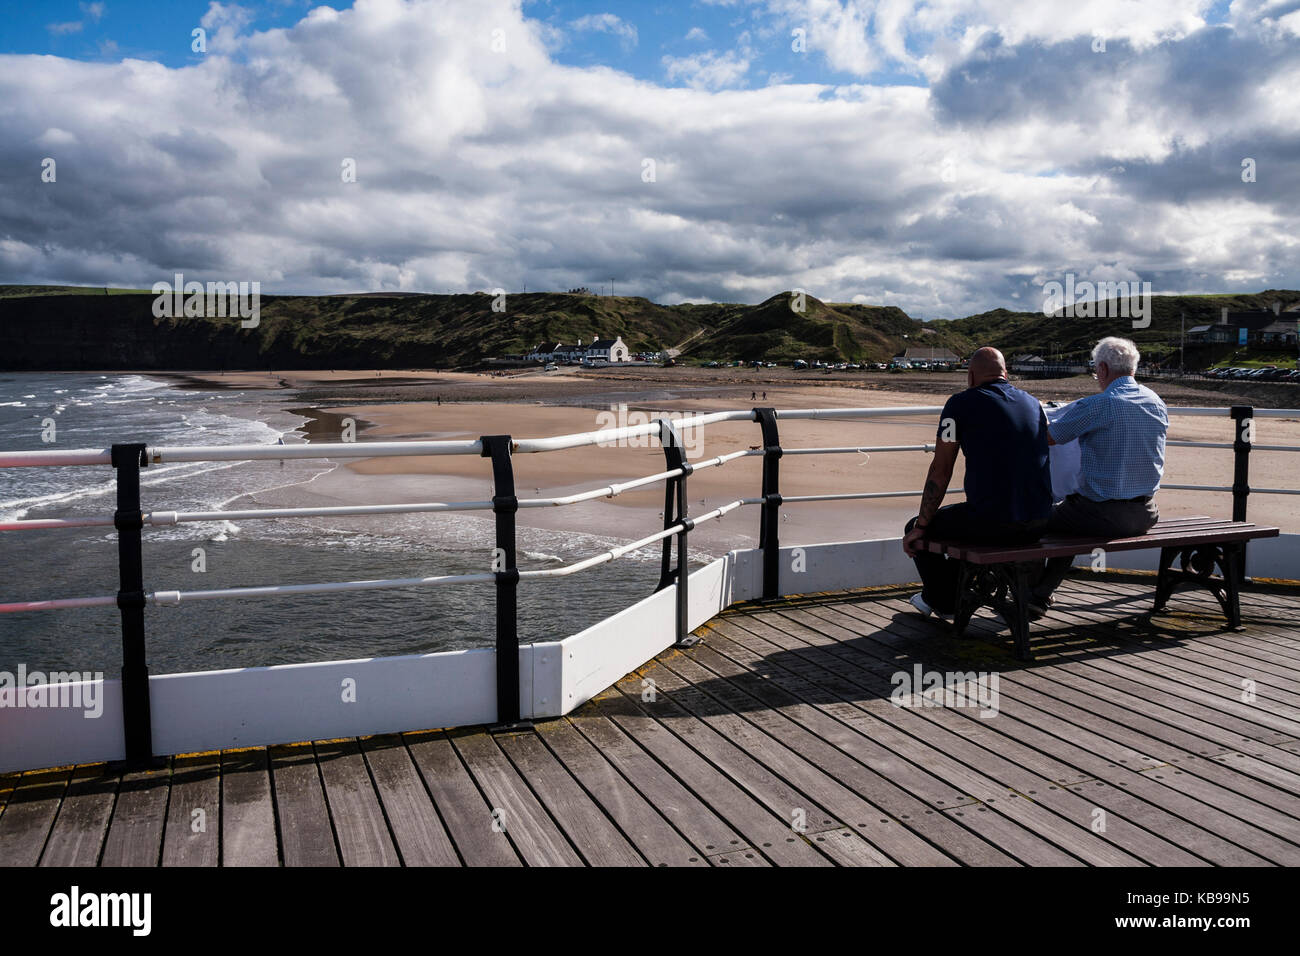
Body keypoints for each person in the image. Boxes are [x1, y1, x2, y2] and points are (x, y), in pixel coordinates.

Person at [902, 347, 1053, 619]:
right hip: (1040, 520)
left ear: (970, 376)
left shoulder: (958, 404)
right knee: (967, 522)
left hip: (994, 523)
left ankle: (944, 601)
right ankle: (951, 593)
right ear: (1006, 374)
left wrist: (921, 525)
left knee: (917, 527)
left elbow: (941, 469)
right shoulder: (1032, 403)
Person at [1030, 336, 1167, 613]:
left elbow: (1049, 436)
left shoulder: (1101, 404)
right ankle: (1040, 593)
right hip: (1145, 513)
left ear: (1103, 369)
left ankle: (1030, 592)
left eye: (1095, 371)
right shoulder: (1156, 402)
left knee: (1033, 520)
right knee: (1069, 515)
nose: (1096, 377)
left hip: (1102, 515)